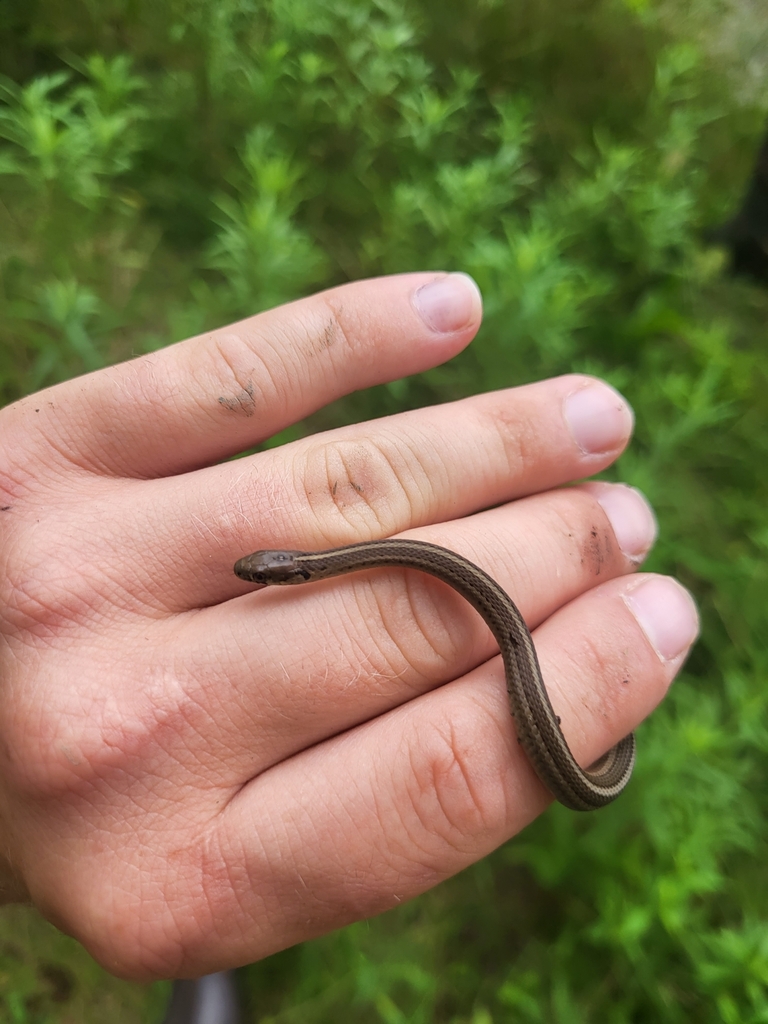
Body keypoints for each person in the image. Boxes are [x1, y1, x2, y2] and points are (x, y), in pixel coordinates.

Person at [0, 272, 697, 983]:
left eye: (259, 575)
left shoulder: (335, 567)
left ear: (289, 573)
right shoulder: (310, 569)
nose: (256, 578)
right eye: (257, 575)